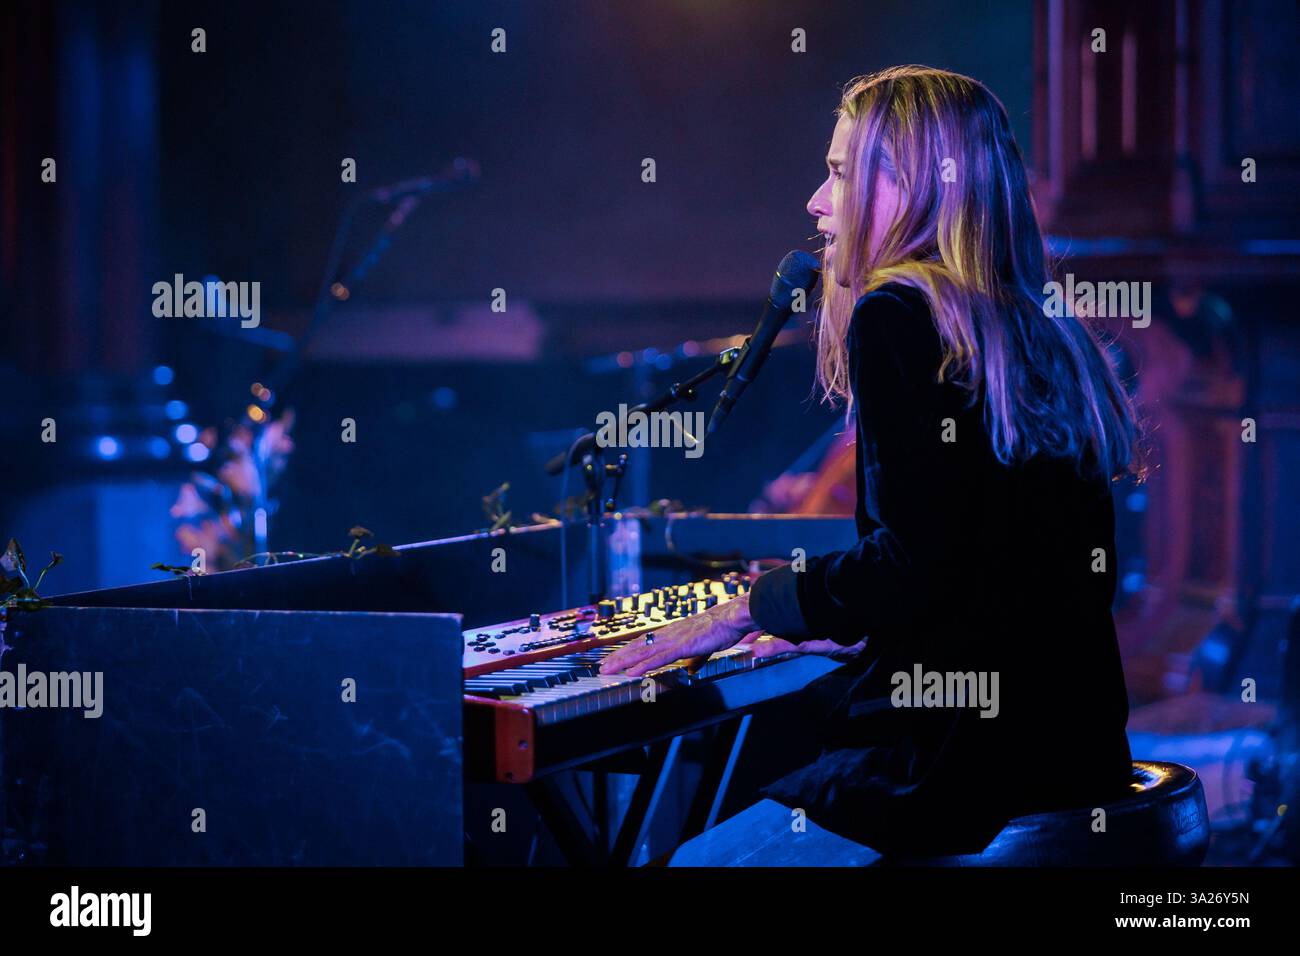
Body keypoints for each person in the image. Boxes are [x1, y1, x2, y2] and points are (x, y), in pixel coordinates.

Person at [601, 65, 1140, 862]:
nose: (816, 204)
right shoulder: (1038, 327)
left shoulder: (896, 314)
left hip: (958, 777)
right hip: (1072, 754)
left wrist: (746, 608)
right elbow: (999, 575)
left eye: (840, 174)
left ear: (915, 189)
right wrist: (850, 630)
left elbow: (910, 565)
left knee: (691, 863)